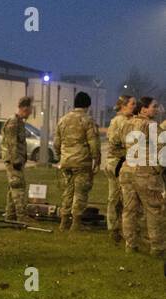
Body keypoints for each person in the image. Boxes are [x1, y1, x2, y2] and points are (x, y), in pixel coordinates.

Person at [119, 95, 166, 259]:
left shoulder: (127, 123)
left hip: (127, 171)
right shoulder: (151, 125)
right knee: (155, 210)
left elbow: (120, 143)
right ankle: (157, 248)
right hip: (145, 173)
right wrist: (158, 169)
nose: (157, 109)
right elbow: (162, 151)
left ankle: (130, 245)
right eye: (154, 106)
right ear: (144, 109)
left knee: (129, 210)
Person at [53, 91, 101, 231]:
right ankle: (76, 223)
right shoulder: (87, 120)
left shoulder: (63, 120)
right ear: (87, 105)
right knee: (80, 192)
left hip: (66, 161)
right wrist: (96, 160)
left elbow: (56, 142)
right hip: (81, 162)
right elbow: (93, 143)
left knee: (68, 191)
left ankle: (63, 221)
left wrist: (60, 157)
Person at [105, 94, 137, 245]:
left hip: (124, 161)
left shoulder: (130, 120)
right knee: (116, 197)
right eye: (132, 104)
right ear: (124, 106)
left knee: (123, 198)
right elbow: (114, 140)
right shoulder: (118, 121)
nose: (134, 106)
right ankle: (114, 228)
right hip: (117, 162)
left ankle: (121, 228)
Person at [1, 94, 34, 223]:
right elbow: (12, 143)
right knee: (18, 186)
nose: (31, 112)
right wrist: (16, 161)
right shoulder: (13, 122)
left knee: (13, 188)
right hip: (14, 161)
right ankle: (21, 215)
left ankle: (10, 215)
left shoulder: (19, 122)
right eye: (31, 109)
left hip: (17, 160)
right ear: (25, 108)